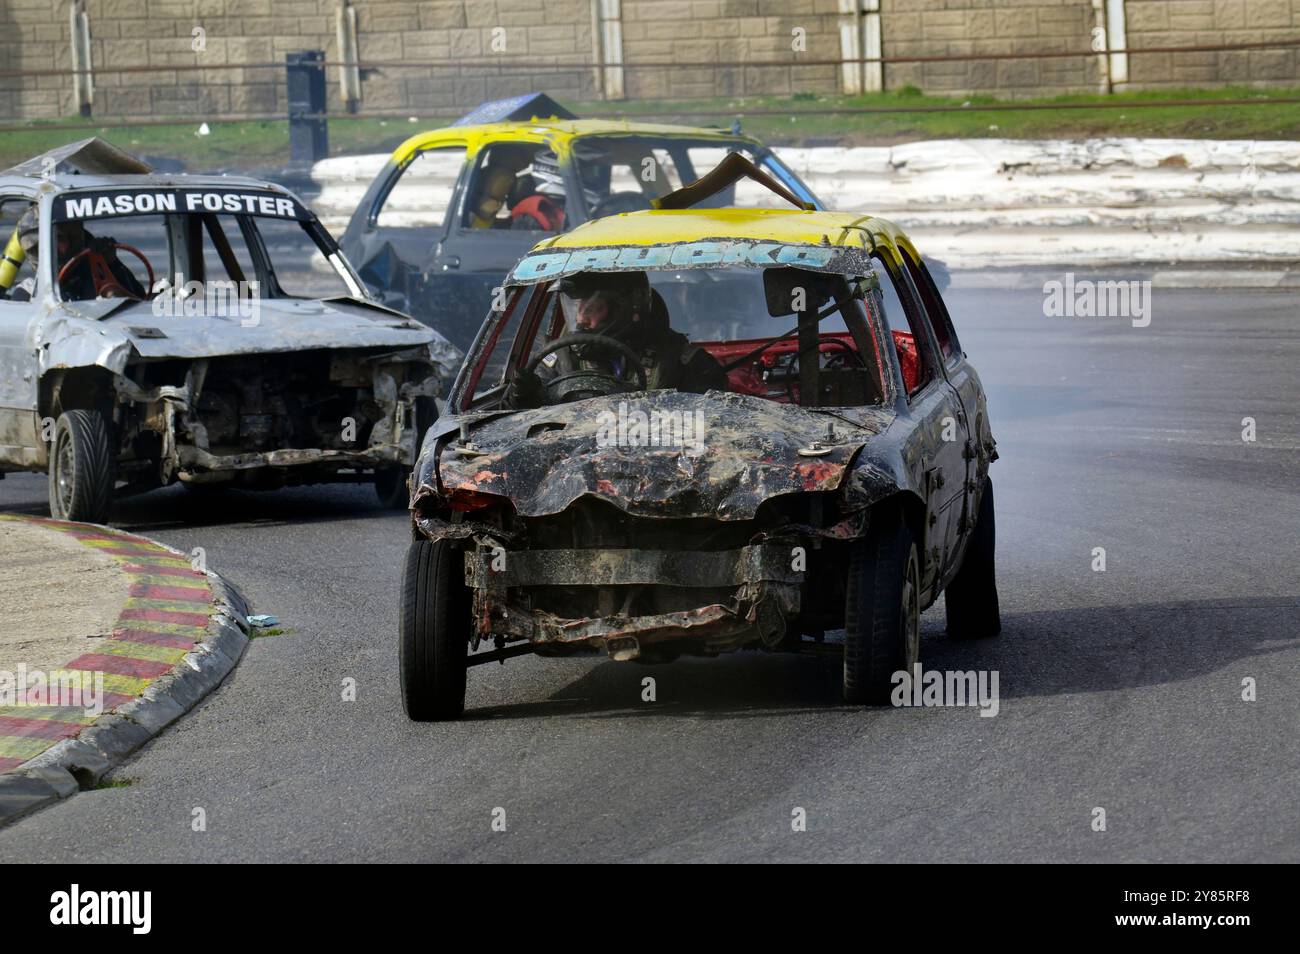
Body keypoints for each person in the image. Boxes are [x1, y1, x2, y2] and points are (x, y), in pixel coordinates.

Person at [507, 271, 729, 408]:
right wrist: (520, 398)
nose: (580, 319)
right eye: (575, 307)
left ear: (625, 309)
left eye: (593, 308)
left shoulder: (685, 364)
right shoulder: (556, 362)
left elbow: (715, 428)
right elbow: (522, 426)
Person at [8, 205, 145, 302]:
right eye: (59, 239)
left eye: (73, 237)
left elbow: (140, 302)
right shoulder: (29, 292)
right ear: (39, 247)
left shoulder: (99, 276)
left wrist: (112, 263)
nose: (67, 246)